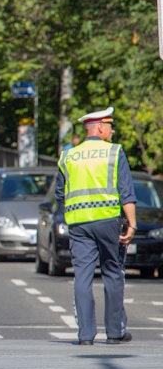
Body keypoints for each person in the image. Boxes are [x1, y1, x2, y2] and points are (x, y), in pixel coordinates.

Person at [56, 106, 136, 345]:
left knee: (82, 276)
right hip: (108, 221)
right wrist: (132, 224)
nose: (112, 132)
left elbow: (60, 194)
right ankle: (114, 333)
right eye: (110, 127)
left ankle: (85, 335)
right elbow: (126, 192)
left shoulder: (68, 156)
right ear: (100, 127)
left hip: (78, 224)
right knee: (113, 272)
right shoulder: (114, 152)